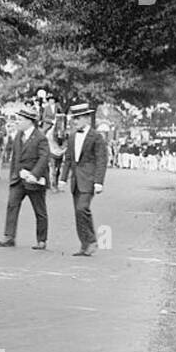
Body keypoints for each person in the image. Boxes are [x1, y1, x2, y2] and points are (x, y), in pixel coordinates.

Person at [0, 104, 49, 250]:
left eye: (20, 119)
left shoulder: (40, 138)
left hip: (33, 180)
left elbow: (44, 158)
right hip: (18, 179)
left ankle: (41, 239)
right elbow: (15, 157)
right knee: (12, 205)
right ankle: (9, 236)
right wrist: (13, 173)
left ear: (29, 121)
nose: (17, 122)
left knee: (39, 210)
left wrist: (34, 174)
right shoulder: (19, 135)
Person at [60, 102, 108, 256]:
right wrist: (62, 178)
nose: (75, 121)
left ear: (87, 118)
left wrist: (99, 182)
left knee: (82, 208)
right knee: (77, 213)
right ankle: (84, 244)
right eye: (74, 118)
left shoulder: (96, 137)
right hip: (75, 181)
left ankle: (92, 239)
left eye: (78, 118)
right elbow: (68, 159)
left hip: (89, 180)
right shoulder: (73, 136)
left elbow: (101, 160)